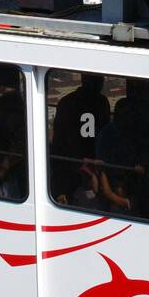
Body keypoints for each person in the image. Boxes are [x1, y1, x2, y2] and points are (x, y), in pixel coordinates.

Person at [50, 73, 111, 203]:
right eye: (97, 81)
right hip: (78, 159)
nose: (100, 85)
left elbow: (60, 134)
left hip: (80, 157)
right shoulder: (101, 102)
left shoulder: (67, 101)